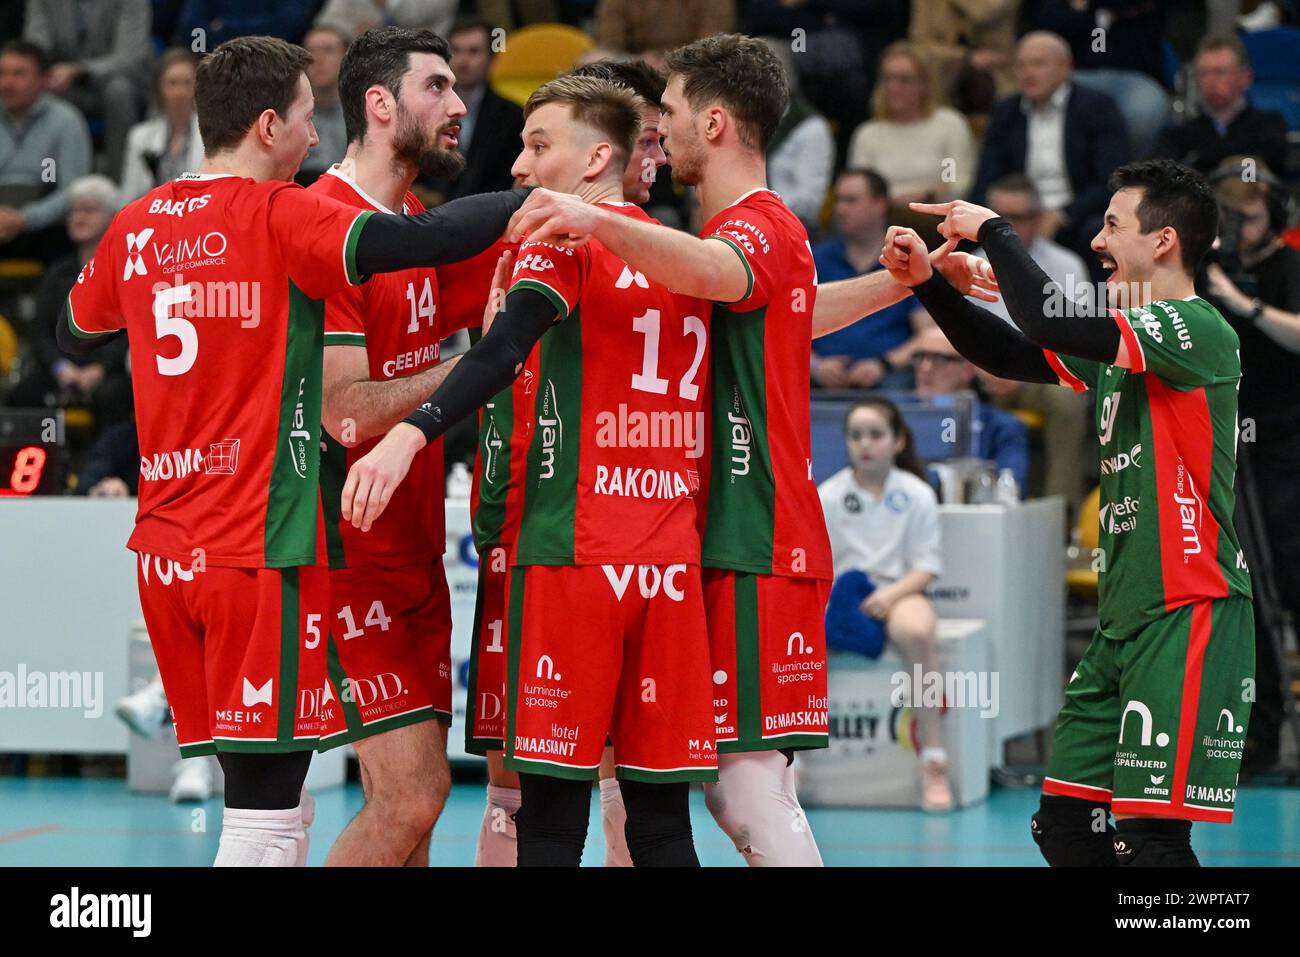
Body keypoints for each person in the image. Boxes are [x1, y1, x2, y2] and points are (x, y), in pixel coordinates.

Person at [494, 32, 999, 866]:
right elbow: (787, 304)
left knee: (745, 788)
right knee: (681, 781)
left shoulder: (752, 226)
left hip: (759, 536)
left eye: (676, 114)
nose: (664, 132)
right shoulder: (740, 239)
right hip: (720, 538)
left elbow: (721, 275)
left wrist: (593, 214)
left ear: (717, 122)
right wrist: (901, 283)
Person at [58, 34, 536, 868]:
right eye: (308, 121)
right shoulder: (283, 211)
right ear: (270, 124)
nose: (315, 140)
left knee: (293, 809)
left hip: (167, 544)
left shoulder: (137, 222)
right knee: (271, 820)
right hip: (258, 538)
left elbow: (75, 325)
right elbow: (407, 247)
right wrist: (554, 198)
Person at [344, 73, 719, 867]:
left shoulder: (562, 241)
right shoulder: (695, 261)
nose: (519, 164)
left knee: (547, 821)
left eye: (539, 144)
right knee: (662, 824)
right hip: (667, 566)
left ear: (597, 159)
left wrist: (413, 432)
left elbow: (505, 345)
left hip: (572, 555)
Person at [890, 158, 1254, 865]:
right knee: (1065, 826)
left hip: (1186, 606)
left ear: (1165, 242)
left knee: (1150, 838)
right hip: (1124, 618)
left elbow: (1042, 313)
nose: (1097, 241)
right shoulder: (1124, 339)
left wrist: (994, 230)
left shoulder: (1197, 328)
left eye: (1113, 226)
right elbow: (1013, 350)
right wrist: (928, 285)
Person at [458, 57, 673, 870]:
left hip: (607, 539)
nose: (655, 157)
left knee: (628, 778)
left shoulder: (667, 253)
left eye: (656, 140)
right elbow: (502, 376)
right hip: (523, 528)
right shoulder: (543, 237)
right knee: (517, 778)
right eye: (647, 140)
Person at [308, 26, 472, 868]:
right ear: (379, 104)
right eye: (437, 88)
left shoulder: (416, 227)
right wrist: (468, 367)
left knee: (411, 818)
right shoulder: (328, 226)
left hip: (416, 556)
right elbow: (342, 410)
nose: (460, 106)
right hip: (345, 557)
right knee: (413, 793)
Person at [1203, 161, 1300, 772]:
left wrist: (1245, 303)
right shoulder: (1205, 273)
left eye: (1252, 218)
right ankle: (1261, 737)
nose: (1240, 230)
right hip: (1232, 449)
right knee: (1249, 597)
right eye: (1229, 218)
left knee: (1290, 587)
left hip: (1290, 446)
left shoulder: (1288, 268)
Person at [818, 396, 950, 810]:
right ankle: (793, 761)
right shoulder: (829, 495)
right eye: (856, 436)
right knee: (795, 635)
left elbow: (926, 567)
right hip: (843, 595)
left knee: (916, 631)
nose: (865, 444)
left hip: (900, 591)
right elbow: (819, 565)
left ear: (897, 441)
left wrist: (888, 596)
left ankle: (934, 760)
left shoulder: (917, 494)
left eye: (875, 434)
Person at [971, 173, 1092, 510]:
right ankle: (968, 506)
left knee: (1069, 398)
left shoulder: (1067, 265)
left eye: (1018, 218)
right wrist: (985, 370)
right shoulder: (969, 263)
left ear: (1039, 220)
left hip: (1041, 373)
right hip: (983, 376)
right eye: (996, 218)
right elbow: (955, 331)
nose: (1005, 227)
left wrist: (1019, 370)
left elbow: (1077, 338)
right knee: (944, 392)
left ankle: (1059, 510)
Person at [971, 31, 1130, 268]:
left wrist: (1063, 215)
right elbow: (987, 177)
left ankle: (1097, 304)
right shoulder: (1006, 112)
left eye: (1038, 64)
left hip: (1076, 215)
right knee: (963, 231)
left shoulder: (1098, 107)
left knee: (1099, 232)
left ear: (1066, 67)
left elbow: (1112, 179)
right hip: (1016, 211)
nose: (1028, 73)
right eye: (1021, 66)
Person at [7, 175, 131, 428]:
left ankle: (104, 467)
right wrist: (60, 368)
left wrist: (100, 369)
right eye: (73, 211)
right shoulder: (57, 273)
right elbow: (40, 332)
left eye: (88, 210)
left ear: (112, 216)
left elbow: (131, 332)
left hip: (107, 371)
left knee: (117, 396)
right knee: (21, 395)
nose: (78, 217)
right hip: (62, 368)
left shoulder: (127, 270)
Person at [811, 168, 929, 392]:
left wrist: (884, 363)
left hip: (889, 377)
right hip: (819, 377)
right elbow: (785, 326)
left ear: (880, 204)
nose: (840, 209)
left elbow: (928, 335)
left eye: (851, 200)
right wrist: (815, 365)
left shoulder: (908, 258)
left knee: (901, 385)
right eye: (838, 200)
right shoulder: (814, 259)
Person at [24, 0, 151, 181]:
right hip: (65, 82)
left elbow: (130, 57)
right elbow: (36, 47)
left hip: (118, 78)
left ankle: (122, 185)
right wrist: (43, 72)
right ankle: (57, 187)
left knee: (119, 92)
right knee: (37, 92)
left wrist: (80, 70)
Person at [846, 41, 977, 205]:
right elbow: (858, 191)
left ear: (924, 84)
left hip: (936, 218)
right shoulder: (868, 134)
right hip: (882, 222)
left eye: (904, 80)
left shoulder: (948, 125)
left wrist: (921, 197)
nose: (894, 87)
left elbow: (957, 185)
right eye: (888, 79)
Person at [910, 325, 1030, 496]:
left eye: (940, 359)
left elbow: (1011, 487)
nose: (925, 368)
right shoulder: (892, 417)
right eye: (920, 357)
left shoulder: (1001, 427)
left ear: (967, 370)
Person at [0, 39, 91, 261]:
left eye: (19, 74)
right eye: (3, 73)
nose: (7, 82)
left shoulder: (66, 121)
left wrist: (25, 218)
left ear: (43, 79)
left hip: (44, 224)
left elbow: (73, 189)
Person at [1153, 33, 1288, 178]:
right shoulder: (1177, 136)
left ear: (1245, 77)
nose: (1211, 81)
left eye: (1220, 72)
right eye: (1204, 73)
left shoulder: (1269, 126)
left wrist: (1204, 158)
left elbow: (1269, 165)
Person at [419, 17, 524, 203]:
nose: (463, 60)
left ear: (492, 59)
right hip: (427, 214)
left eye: (474, 51)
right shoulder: (424, 108)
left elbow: (509, 182)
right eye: (456, 51)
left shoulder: (513, 117)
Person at [120, 50, 204, 204]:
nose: (180, 92)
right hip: (152, 217)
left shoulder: (213, 134)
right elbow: (129, 197)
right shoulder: (140, 137)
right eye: (172, 83)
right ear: (159, 89)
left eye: (188, 83)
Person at [298, 25, 351, 184]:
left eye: (328, 50)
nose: (318, 59)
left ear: (347, 59)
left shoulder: (365, 114)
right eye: (311, 51)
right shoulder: (286, 114)